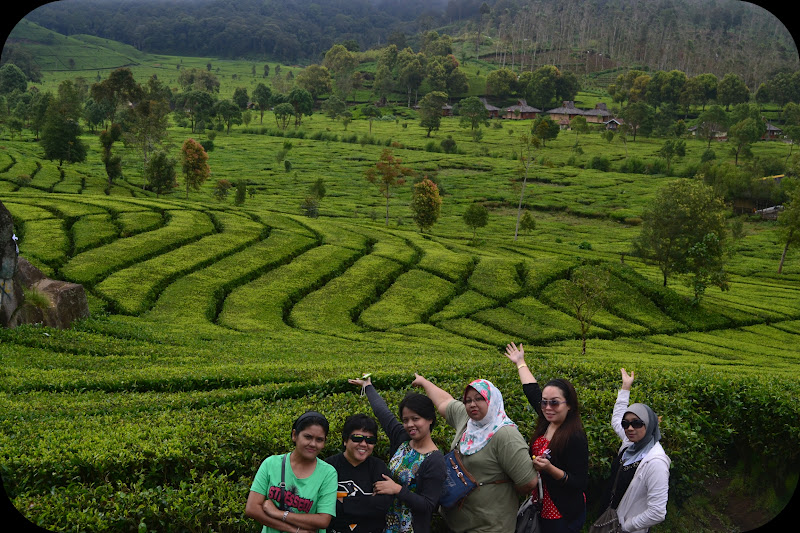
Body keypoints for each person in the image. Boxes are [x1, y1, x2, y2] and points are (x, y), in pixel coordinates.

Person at [410, 373, 538, 533]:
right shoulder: (467, 420)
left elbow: (528, 481)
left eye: (479, 398)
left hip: (489, 527)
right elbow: (444, 402)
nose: (472, 404)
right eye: (468, 400)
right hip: (455, 522)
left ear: (492, 401)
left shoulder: (505, 435)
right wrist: (424, 382)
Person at [505, 342, 589, 533]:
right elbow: (531, 390)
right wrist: (520, 362)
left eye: (555, 403)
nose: (548, 407)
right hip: (540, 500)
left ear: (569, 405)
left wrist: (550, 469)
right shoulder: (546, 419)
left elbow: (579, 482)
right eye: (545, 403)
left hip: (561, 509)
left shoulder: (575, 437)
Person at [348, 376, 445, 533]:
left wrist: (398, 490)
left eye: (416, 419)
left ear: (430, 420)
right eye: (405, 420)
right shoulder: (403, 438)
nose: (409, 425)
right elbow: (382, 412)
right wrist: (367, 386)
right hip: (385, 523)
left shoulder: (434, 460)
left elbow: (428, 505)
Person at [600, 368, 670, 533]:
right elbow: (617, 418)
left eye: (637, 423)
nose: (630, 428)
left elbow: (657, 512)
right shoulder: (629, 443)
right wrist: (625, 388)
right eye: (626, 424)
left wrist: (625, 526)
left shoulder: (656, 462)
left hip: (625, 527)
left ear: (649, 424)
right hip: (608, 516)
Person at [246, 411, 339, 533]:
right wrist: (294, 530)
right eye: (308, 437)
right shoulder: (271, 464)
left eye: (319, 440)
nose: (313, 444)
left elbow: (323, 520)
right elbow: (252, 509)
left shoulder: (328, 473)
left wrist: (278, 513)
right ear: (294, 435)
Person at [325, 413, 393, 533]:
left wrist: (343, 504)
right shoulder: (329, 466)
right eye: (357, 438)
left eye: (370, 440)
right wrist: (367, 504)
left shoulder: (378, 466)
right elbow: (325, 507)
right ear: (345, 440)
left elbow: (383, 505)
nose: (363, 444)